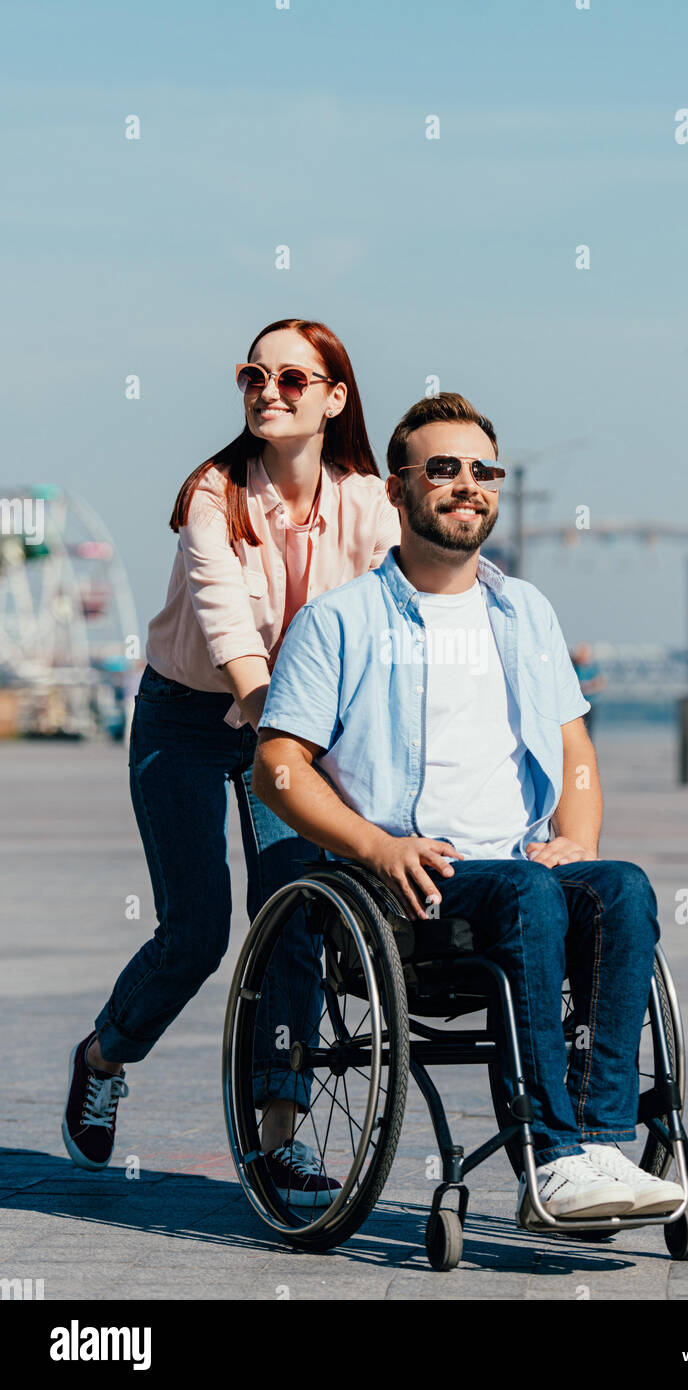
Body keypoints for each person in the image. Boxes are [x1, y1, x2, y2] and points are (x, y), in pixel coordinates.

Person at [251, 392, 684, 1226]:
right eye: (441, 468)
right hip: (401, 890)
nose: (465, 484)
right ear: (396, 489)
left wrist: (575, 835)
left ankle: (595, 1144)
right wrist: (377, 847)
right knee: (526, 896)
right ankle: (551, 1158)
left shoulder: (525, 611)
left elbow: (574, 749)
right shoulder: (337, 622)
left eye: (482, 470)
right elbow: (277, 770)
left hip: (517, 872)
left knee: (620, 884)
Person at [62, 318, 399, 1208]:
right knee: (196, 932)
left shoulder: (367, 505)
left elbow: (402, 615)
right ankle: (103, 1056)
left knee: (290, 911)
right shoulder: (214, 494)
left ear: (333, 398)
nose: (269, 391)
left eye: (294, 379)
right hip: (188, 716)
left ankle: (279, 1138)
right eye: (255, 374)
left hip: (289, 731)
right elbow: (226, 626)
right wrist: (267, 716)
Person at [570, 642, 606, 739]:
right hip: (576, 705)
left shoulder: (593, 668)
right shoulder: (574, 667)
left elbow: (600, 683)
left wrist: (587, 687)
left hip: (591, 703)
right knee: (577, 731)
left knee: (589, 731)